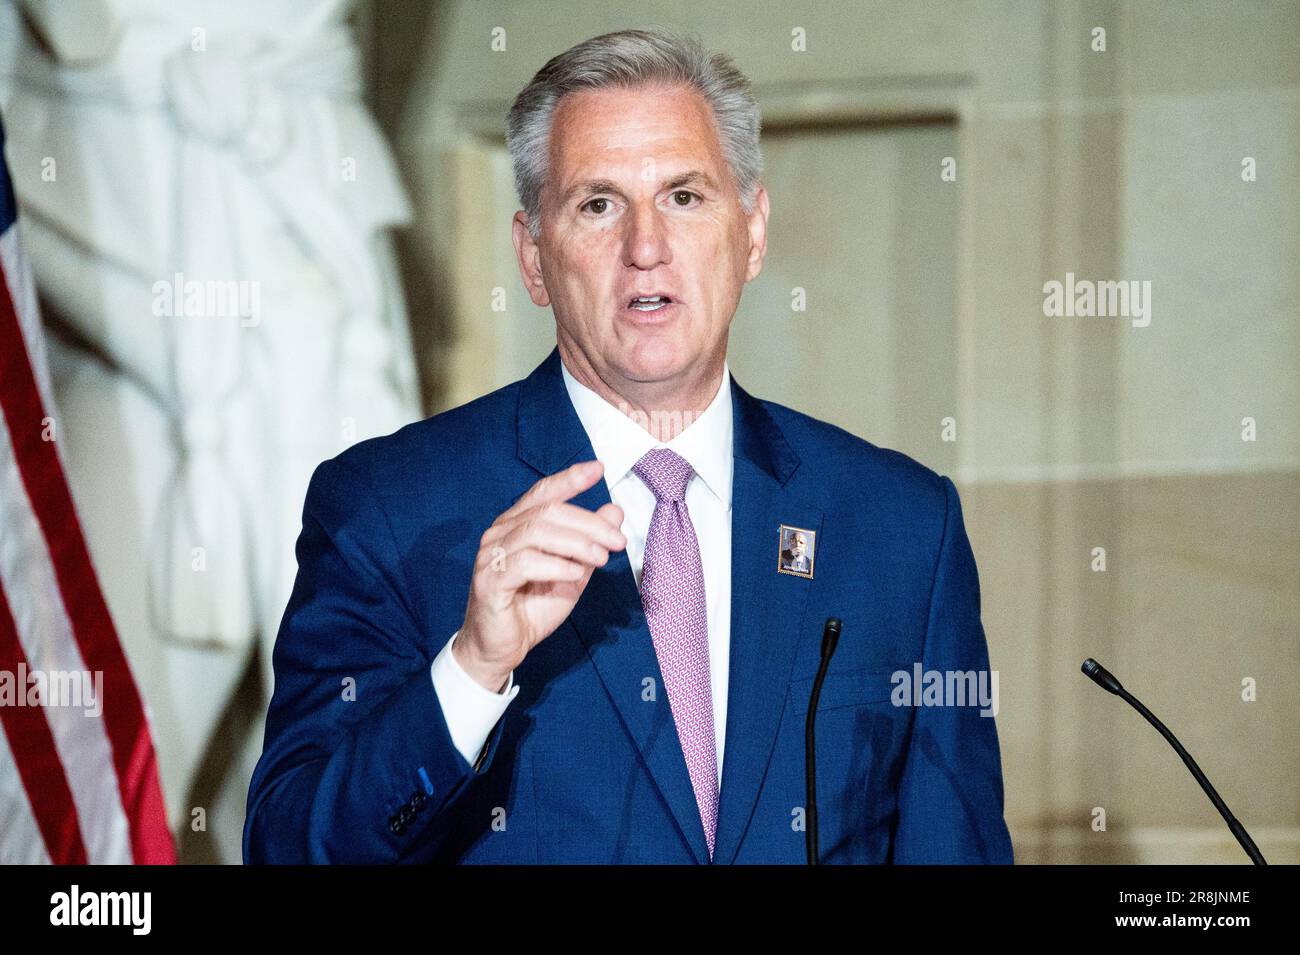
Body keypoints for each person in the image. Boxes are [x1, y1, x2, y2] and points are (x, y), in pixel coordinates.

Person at [244, 27, 1013, 864]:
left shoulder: (903, 528)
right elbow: (289, 848)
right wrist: (470, 669)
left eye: (684, 196)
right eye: (598, 204)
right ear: (533, 258)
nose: (646, 248)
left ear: (752, 231)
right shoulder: (388, 510)